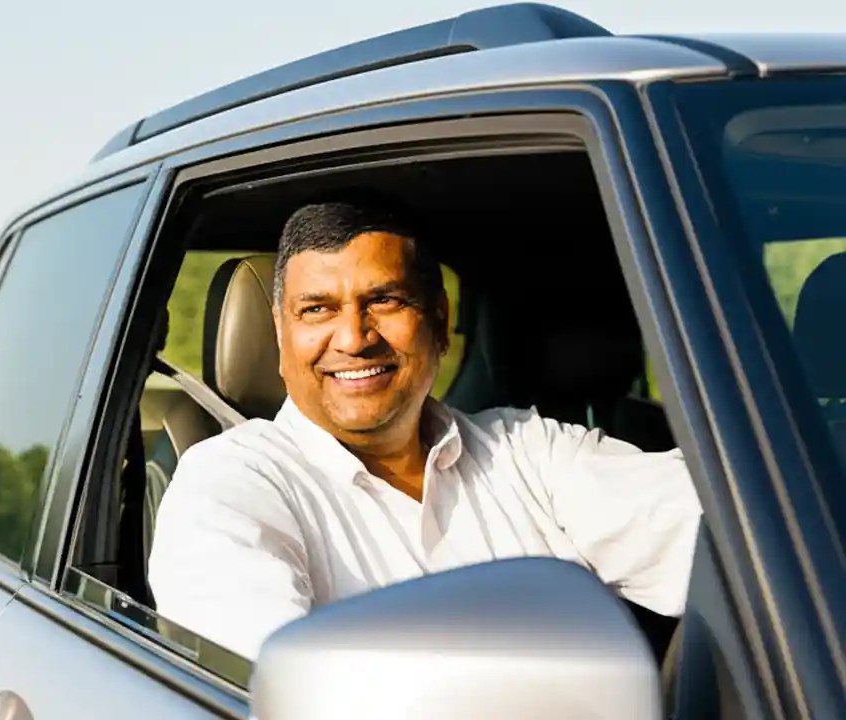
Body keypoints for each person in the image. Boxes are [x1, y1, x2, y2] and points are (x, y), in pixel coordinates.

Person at [146, 194, 703, 661]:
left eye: (384, 300)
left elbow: (726, 532)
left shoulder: (529, 451)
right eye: (317, 310)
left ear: (439, 320)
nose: (353, 338)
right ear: (280, 332)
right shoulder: (228, 483)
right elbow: (277, 688)